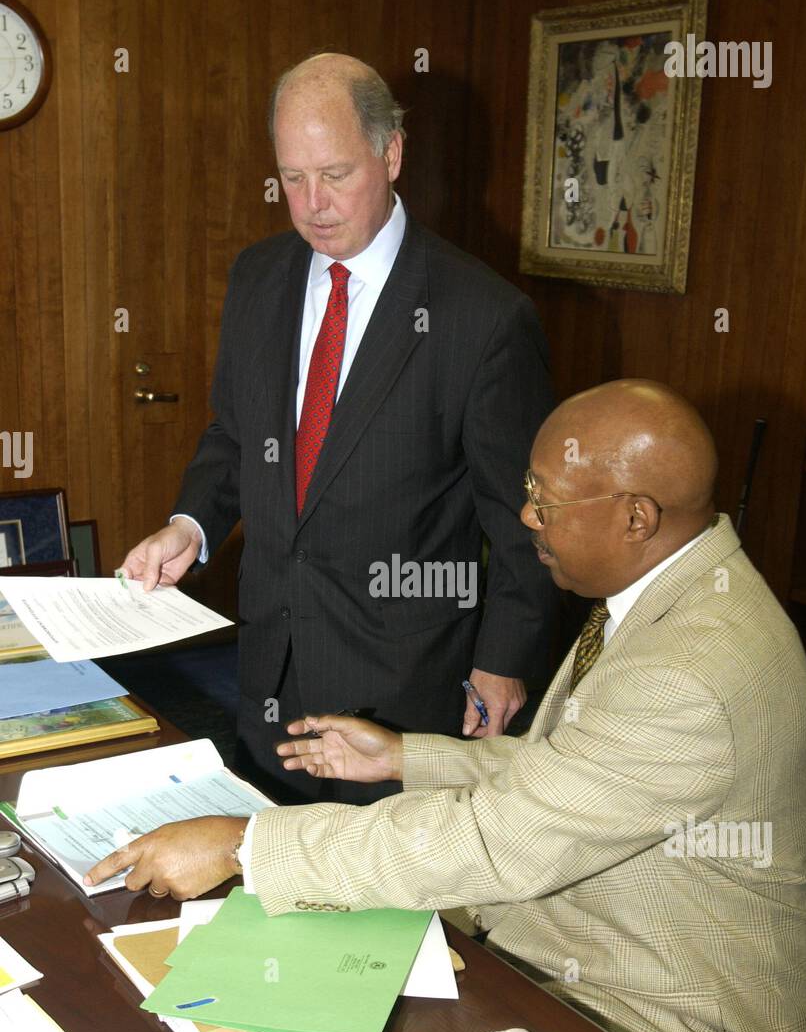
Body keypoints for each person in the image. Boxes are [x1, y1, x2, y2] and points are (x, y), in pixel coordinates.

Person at [92, 380, 806, 1032]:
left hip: (670, 1030)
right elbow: (577, 769)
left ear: (637, 516)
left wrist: (245, 847)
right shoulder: (676, 594)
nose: (526, 515)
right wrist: (407, 757)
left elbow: (501, 837)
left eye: (546, 499)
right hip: (570, 949)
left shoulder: (689, 667)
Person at [118, 53, 556, 804]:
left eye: (336, 174)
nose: (313, 203)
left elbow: (524, 519)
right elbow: (235, 433)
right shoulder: (258, 278)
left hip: (402, 694)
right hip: (266, 675)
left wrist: (501, 661)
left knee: (386, 908)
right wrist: (190, 525)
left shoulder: (480, 317)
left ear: (390, 154)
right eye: (292, 178)